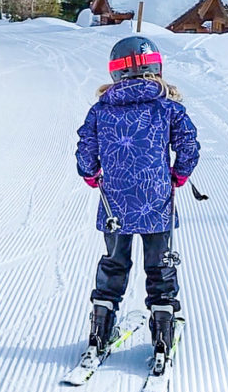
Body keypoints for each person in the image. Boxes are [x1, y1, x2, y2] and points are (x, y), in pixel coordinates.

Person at [75, 35, 200, 362]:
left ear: (115, 72)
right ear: (156, 67)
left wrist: (91, 174)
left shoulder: (101, 109)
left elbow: (85, 147)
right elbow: (188, 144)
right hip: (157, 202)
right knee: (160, 266)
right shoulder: (168, 107)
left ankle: (100, 331)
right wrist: (179, 174)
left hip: (113, 202)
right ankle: (162, 334)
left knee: (114, 262)